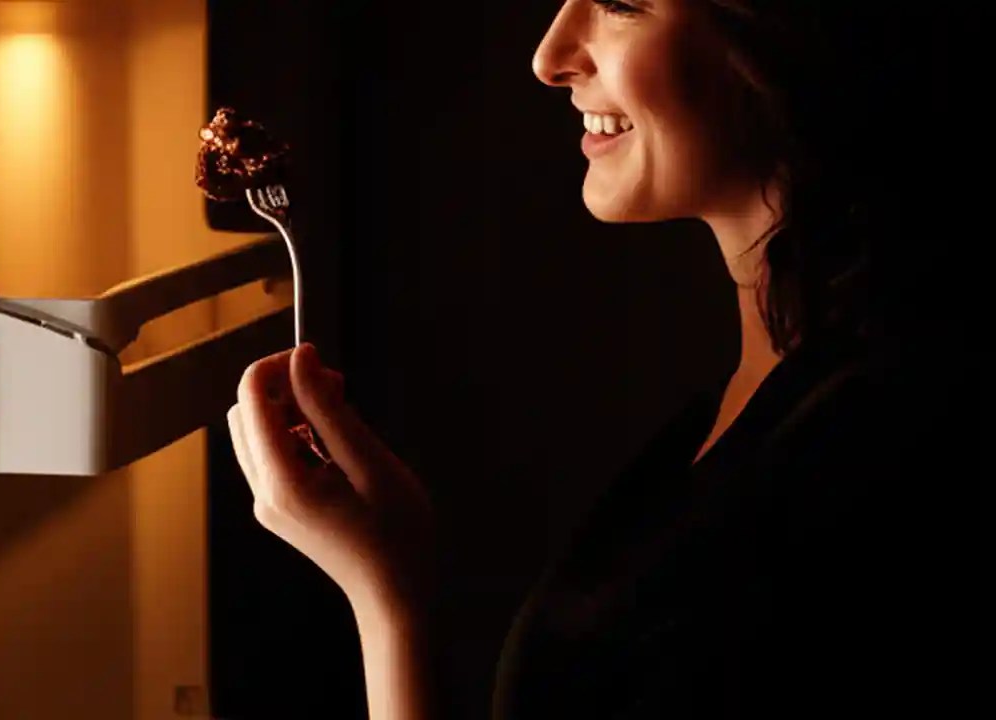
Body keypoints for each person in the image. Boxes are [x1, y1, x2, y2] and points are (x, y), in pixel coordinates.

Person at [225, 1, 974, 717]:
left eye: (620, 1)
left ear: (781, 32)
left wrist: (384, 598)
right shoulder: (765, 396)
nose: (549, 58)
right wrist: (389, 585)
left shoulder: (867, 455)